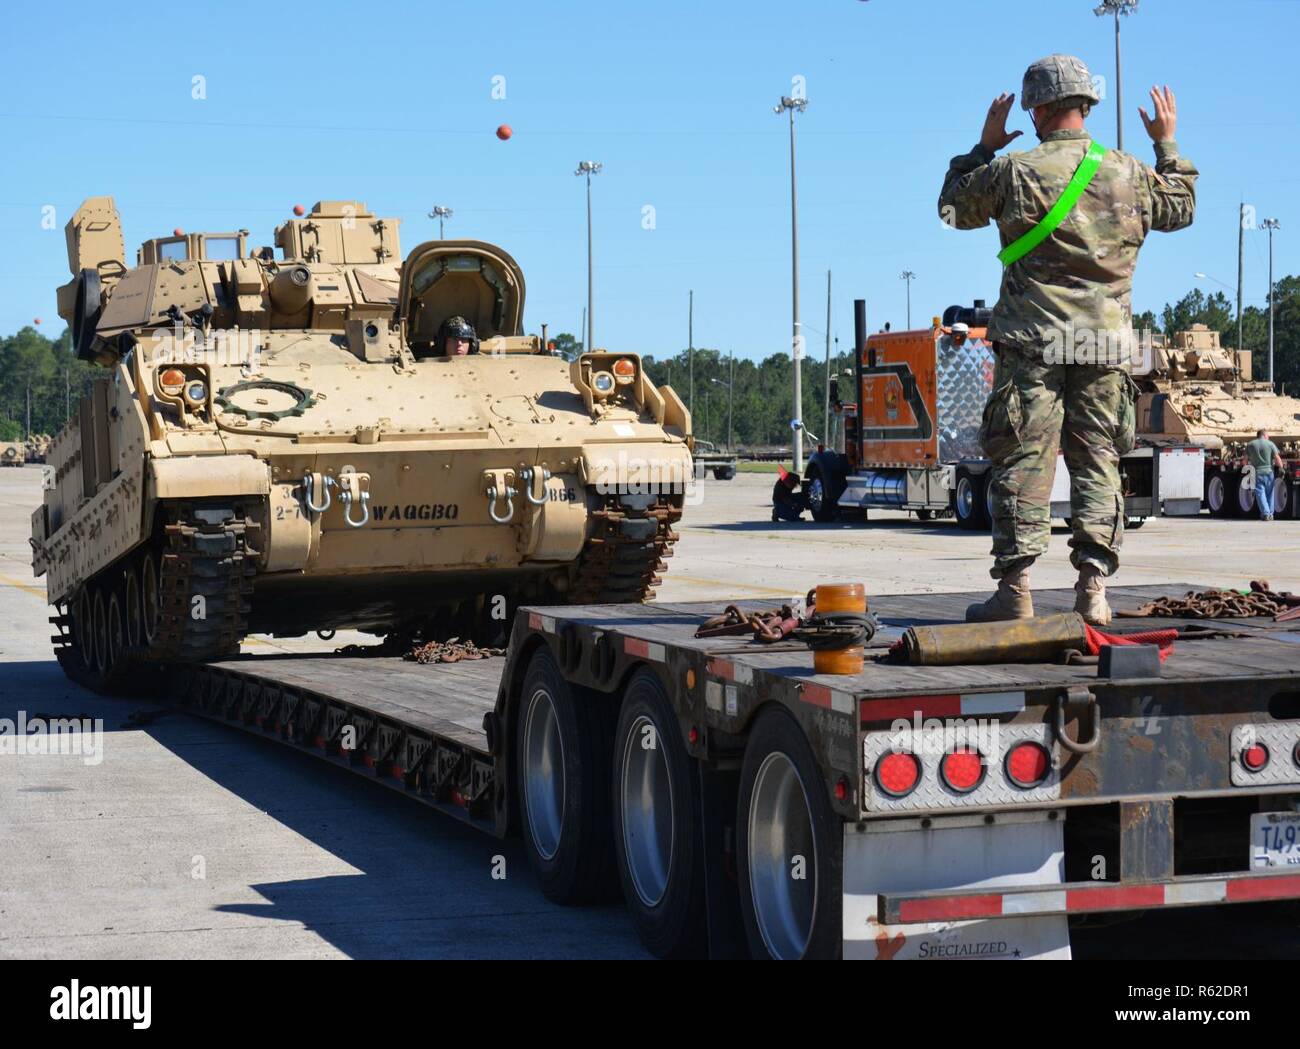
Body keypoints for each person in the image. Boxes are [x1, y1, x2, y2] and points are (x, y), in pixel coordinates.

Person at [938, 54, 1198, 624]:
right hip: (1103, 348)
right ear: (1085, 105)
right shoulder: (1128, 172)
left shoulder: (1015, 171)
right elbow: (1181, 207)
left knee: (1023, 462)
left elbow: (952, 209)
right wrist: (1167, 144)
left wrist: (982, 147)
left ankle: (1015, 592)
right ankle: (1094, 592)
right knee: (1100, 462)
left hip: (1033, 344)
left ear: (1039, 110)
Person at [1244, 428, 1285, 521]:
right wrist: (1281, 468)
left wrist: (1246, 470)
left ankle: (1266, 513)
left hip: (1256, 473)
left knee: (1260, 493)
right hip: (1269, 472)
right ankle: (1270, 514)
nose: (1268, 437)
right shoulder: (1270, 444)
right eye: (1268, 436)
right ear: (1264, 435)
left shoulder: (1250, 445)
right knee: (1270, 493)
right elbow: (1277, 457)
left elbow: (1245, 460)